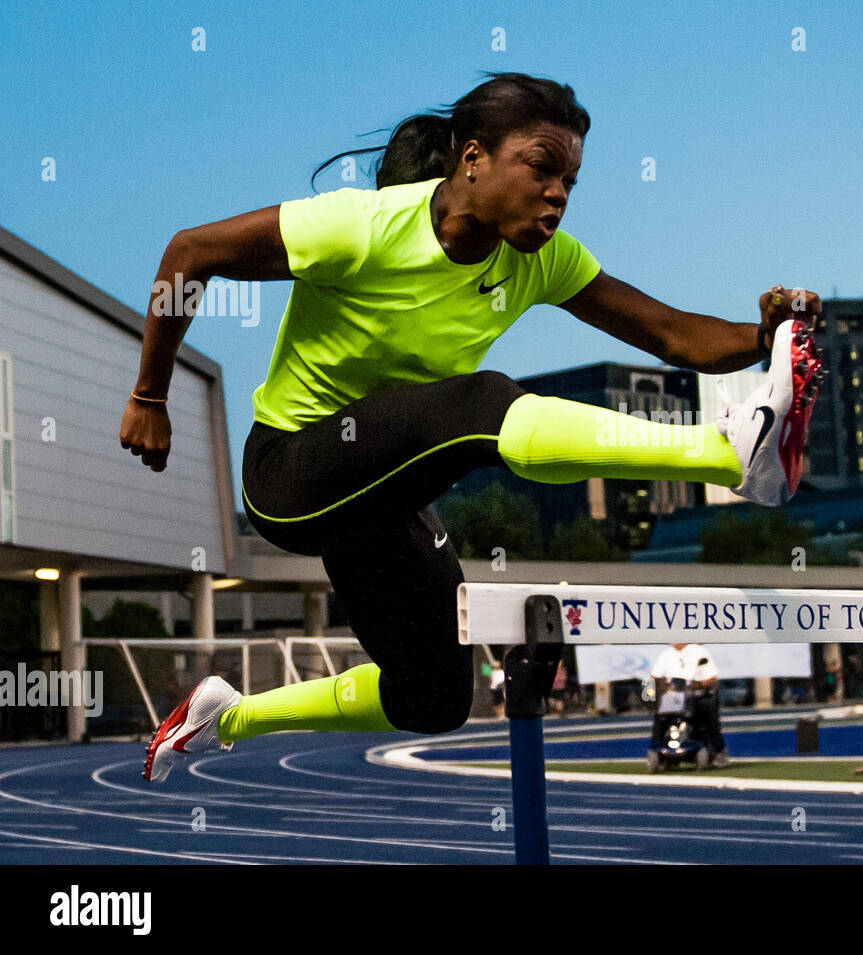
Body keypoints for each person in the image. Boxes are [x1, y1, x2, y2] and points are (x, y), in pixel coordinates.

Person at [125, 72, 824, 782]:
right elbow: (191, 251)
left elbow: (675, 335)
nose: (558, 194)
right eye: (542, 168)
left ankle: (226, 716)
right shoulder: (360, 227)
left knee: (433, 696)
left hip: (385, 499)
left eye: (572, 181)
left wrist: (765, 335)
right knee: (478, 404)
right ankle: (725, 455)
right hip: (291, 475)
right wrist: (150, 395)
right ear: (471, 161)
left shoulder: (543, 260)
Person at [649, 642, 727, 766]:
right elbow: (653, 677)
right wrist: (659, 687)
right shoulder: (666, 654)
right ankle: (656, 749)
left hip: (696, 695)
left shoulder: (699, 651)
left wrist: (698, 685)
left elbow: (712, 678)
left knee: (709, 715)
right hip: (673, 696)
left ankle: (719, 751)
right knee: (659, 716)